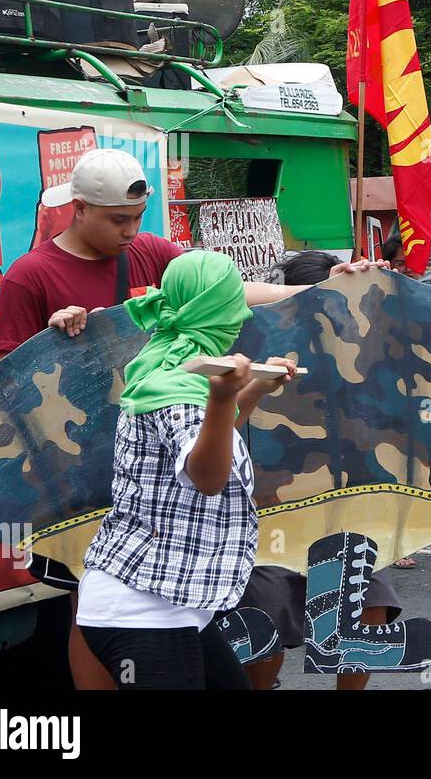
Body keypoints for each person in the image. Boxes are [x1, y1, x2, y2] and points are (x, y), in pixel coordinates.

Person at [0, 147, 383, 690]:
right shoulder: (36, 277)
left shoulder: (153, 267)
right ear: (79, 209)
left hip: (159, 510)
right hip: (80, 465)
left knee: (111, 571)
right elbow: (2, 380)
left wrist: (321, 286)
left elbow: (220, 290)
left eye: (137, 219)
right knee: (89, 581)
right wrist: (52, 340)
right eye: (117, 220)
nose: (131, 232)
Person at [76, 251, 297, 689]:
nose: (242, 318)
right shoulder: (178, 385)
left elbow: (208, 441)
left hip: (166, 603)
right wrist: (221, 397)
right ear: (215, 312)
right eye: (235, 307)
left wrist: (251, 390)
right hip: (142, 609)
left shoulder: (167, 365)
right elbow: (207, 477)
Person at [236, 250, 406, 690]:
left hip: (340, 504)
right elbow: (235, 294)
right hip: (266, 512)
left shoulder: (358, 341)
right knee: (262, 613)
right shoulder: (253, 337)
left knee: (369, 597)